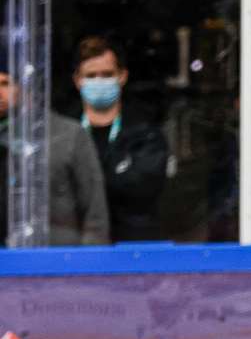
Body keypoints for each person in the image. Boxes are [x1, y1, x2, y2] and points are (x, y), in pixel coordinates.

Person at [0, 44, 108, 246]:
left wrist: (92, 266)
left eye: (6, 83)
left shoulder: (68, 134)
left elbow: (95, 213)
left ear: (25, 88)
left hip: (59, 260)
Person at [73, 36, 168, 242]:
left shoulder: (147, 132)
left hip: (132, 246)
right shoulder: (63, 132)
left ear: (122, 76)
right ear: (78, 80)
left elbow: (143, 190)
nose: (99, 82)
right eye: (91, 75)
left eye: (107, 74)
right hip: (75, 246)